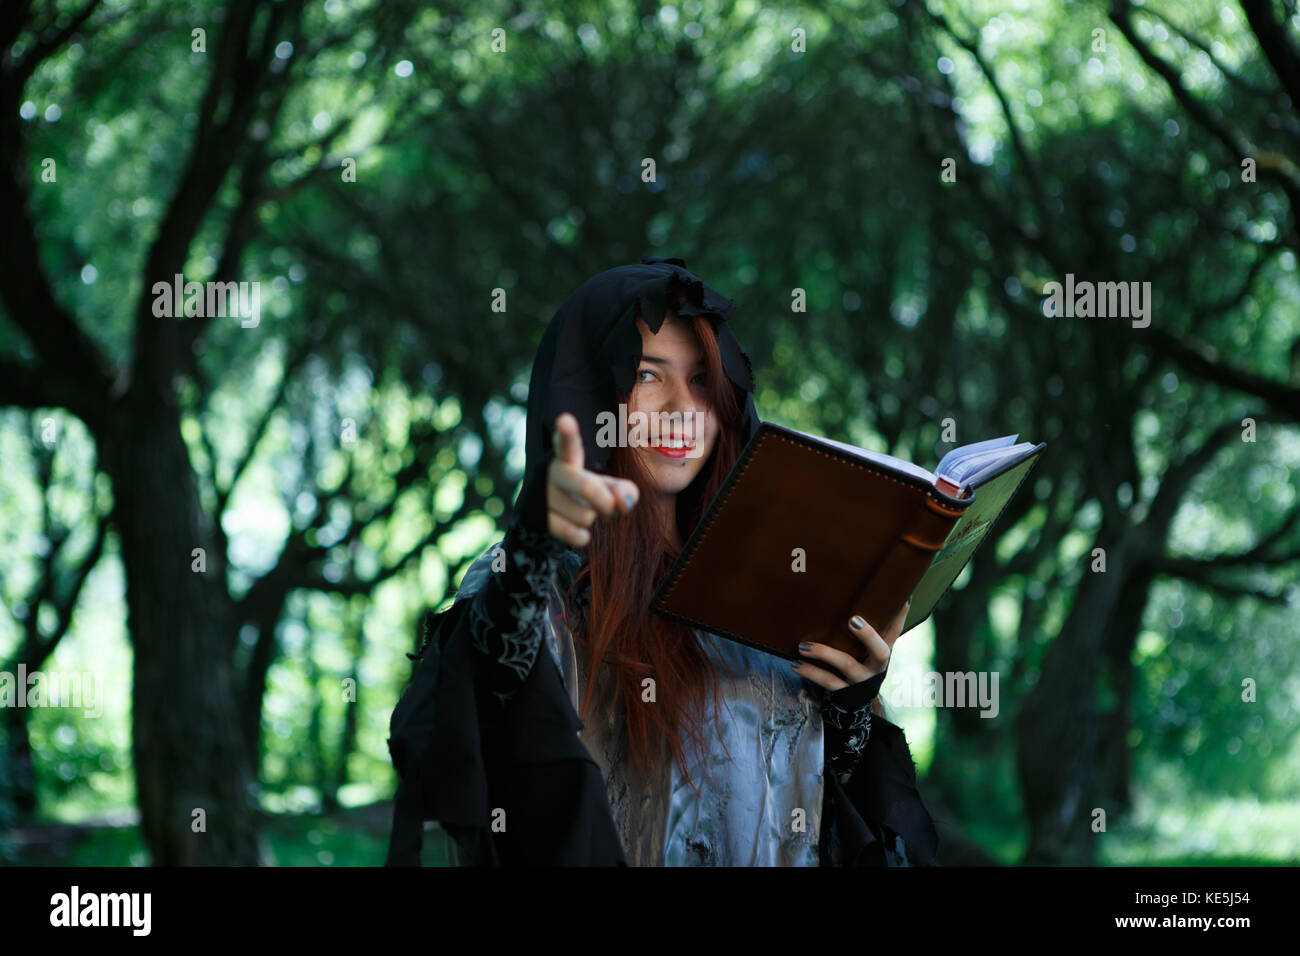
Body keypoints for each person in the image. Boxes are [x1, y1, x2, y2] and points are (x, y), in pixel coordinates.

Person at [385, 256, 939, 866]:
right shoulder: (530, 576)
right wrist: (535, 543)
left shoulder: (777, 584)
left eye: (703, 380)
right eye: (649, 376)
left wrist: (851, 705)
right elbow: (481, 699)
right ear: (593, 394)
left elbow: (812, 810)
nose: (682, 409)